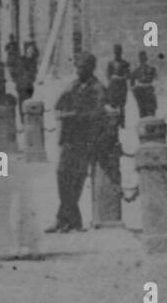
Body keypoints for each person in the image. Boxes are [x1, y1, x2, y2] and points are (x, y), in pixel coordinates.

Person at [46, 52, 120, 234]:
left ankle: (64, 220)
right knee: (62, 175)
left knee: (76, 180)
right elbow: (58, 106)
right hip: (69, 139)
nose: (78, 70)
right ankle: (71, 219)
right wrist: (68, 114)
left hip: (85, 140)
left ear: (91, 68)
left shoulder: (98, 89)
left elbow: (97, 114)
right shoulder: (74, 86)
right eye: (77, 66)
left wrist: (72, 115)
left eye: (82, 67)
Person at [105, 44, 131, 130]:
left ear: (121, 52)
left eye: (119, 51)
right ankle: (114, 122)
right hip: (113, 87)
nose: (117, 53)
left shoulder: (125, 64)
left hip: (121, 87)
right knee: (113, 105)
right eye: (116, 51)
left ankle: (122, 123)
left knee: (122, 105)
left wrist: (122, 77)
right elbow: (108, 75)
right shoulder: (110, 63)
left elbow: (128, 75)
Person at [129, 51, 158, 121]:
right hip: (143, 92)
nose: (142, 60)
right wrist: (135, 90)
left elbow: (156, 79)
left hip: (147, 92)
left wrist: (134, 89)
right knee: (145, 112)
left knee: (148, 111)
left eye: (143, 58)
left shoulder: (150, 69)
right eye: (141, 58)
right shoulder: (139, 69)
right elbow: (131, 81)